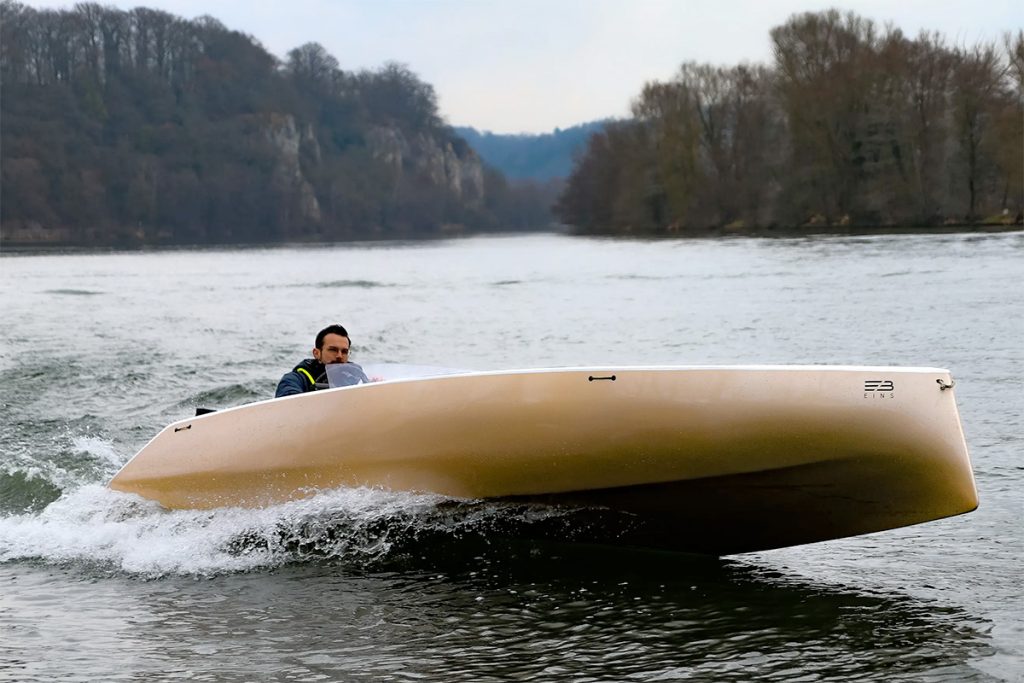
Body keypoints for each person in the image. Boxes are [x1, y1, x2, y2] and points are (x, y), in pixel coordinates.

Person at [275, 324, 368, 397]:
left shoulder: (357, 378)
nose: (339, 356)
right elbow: (288, 401)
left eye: (344, 352)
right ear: (316, 353)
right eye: (333, 350)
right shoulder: (295, 379)